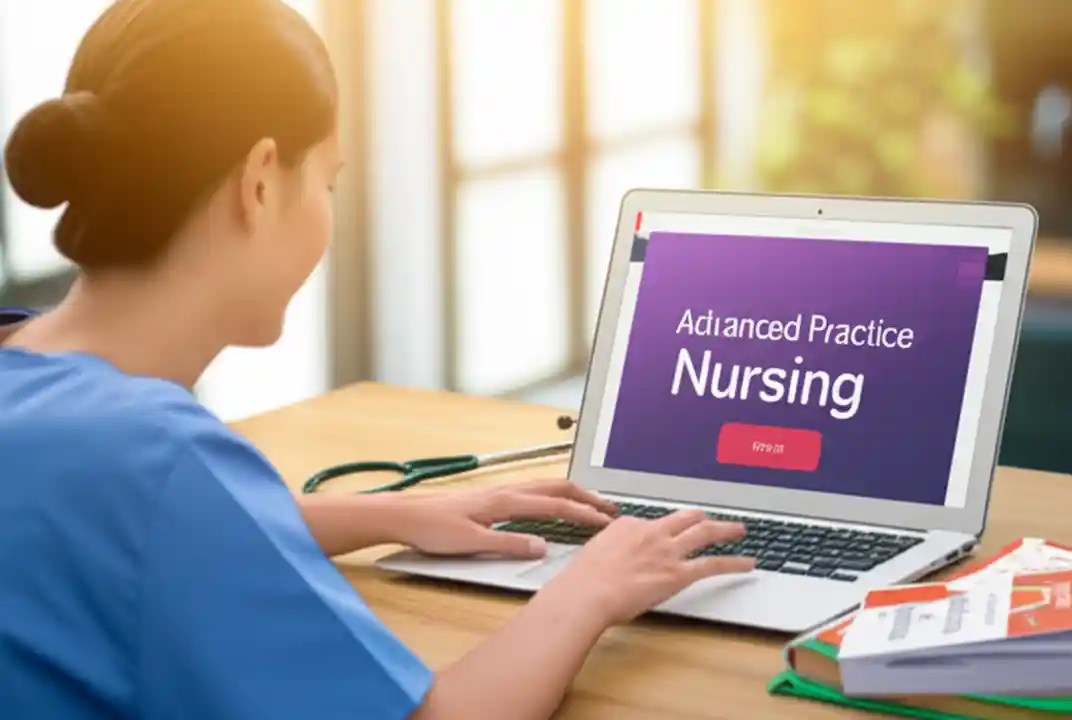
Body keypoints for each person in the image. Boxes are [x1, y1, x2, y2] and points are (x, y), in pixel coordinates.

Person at [0, 1, 754, 718]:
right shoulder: (156, 457)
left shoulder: (44, 394)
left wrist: (396, 514)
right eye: (326, 180)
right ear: (258, 183)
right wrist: (591, 588)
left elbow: (120, 526)